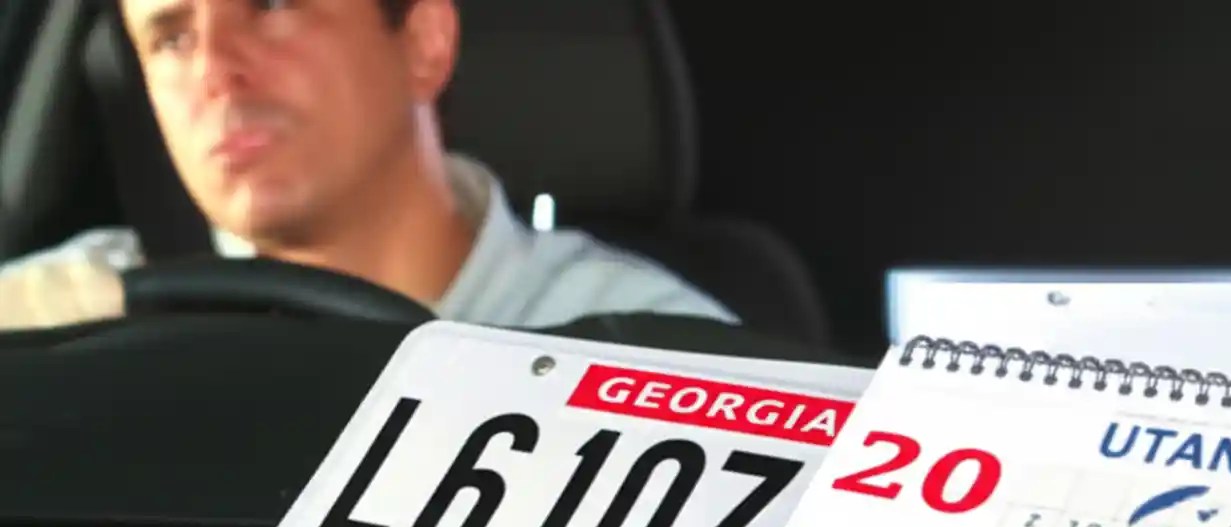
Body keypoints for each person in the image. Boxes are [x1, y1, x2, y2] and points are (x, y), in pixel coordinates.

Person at [0, 0, 736, 330]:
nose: (216, 72)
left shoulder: (654, 357)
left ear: (423, 43)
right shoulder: (68, 322)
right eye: (170, 38)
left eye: (273, 5)